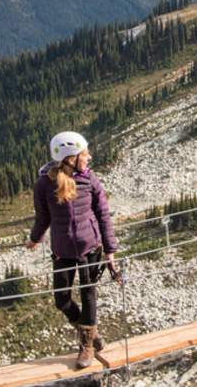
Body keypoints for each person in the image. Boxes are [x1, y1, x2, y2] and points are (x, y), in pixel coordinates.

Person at [26, 131, 118, 369]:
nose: (88, 157)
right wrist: (34, 239)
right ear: (69, 158)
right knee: (62, 299)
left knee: (89, 295)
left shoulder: (90, 179)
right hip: (62, 249)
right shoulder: (44, 184)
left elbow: (103, 214)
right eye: (83, 154)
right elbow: (42, 217)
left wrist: (110, 250)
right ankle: (91, 332)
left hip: (91, 247)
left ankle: (86, 344)